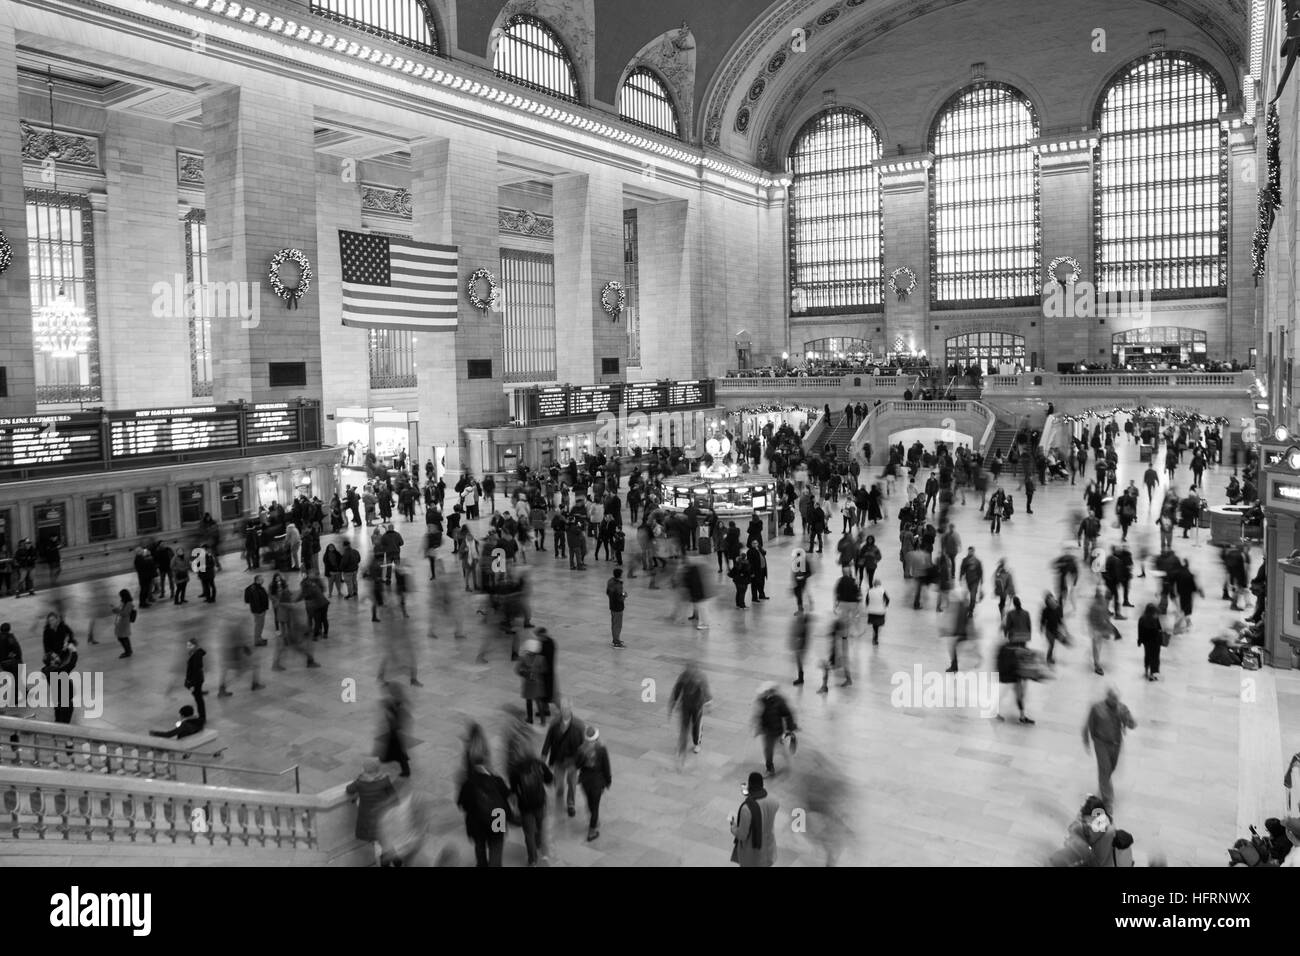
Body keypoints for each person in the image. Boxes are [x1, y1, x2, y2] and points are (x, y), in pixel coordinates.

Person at [455, 723, 512, 867]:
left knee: (480, 847)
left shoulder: (468, 784)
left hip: (477, 823)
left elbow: (461, 804)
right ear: (487, 760)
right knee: (496, 847)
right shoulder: (497, 781)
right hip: (497, 821)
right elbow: (508, 796)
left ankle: (482, 864)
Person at [1082, 687, 1137, 815]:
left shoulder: (1122, 708)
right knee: (1105, 769)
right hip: (1101, 743)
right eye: (1113, 698)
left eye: (1117, 699)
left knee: (1110, 769)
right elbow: (1088, 724)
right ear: (1107, 697)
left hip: (1116, 744)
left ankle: (1103, 784)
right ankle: (1108, 801)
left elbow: (1132, 724)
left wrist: (1129, 721)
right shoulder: (1097, 708)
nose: (1115, 701)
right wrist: (1086, 740)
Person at [507, 730, 554, 866]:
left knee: (528, 833)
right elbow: (550, 779)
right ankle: (539, 842)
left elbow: (514, 790)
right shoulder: (538, 764)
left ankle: (532, 859)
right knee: (540, 826)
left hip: (525, 806)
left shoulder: (515, 770)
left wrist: (514, 805)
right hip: (539, 802)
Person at [346, 757, 398, 865]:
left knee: (379, 844)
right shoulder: (384, 780)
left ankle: (389, 862)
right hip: (384, 816)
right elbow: (394, 797)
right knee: (384, 841)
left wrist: (358, 777)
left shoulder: (360, 782)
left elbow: (349, 789)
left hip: (369, 820)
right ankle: (396, 860)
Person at [541, 700, 586, 819]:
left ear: (571, 709)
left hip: (572, 761)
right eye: (562, 709)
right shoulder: (554, 724)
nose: (564, 711)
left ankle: (571, 804)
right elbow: (548, 741)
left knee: (572, 783)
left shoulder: (579, 725)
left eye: (566, 709)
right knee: (559, 784)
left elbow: (583, 746)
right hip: (558, 759)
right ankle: (560, 792)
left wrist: (581, 763)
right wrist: (543, 757)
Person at [729, 771, 779, 867]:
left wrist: (733, 827)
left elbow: (742, 835)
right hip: (769, 849)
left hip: (753, 855)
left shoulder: (746, 809)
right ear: (762, 785)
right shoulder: (773, 801)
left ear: (750, 786)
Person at [668, 663, 711, 764]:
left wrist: (708, 702)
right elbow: (677, 690)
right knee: (684, 726)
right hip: (685, 706)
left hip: (697, 706)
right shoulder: (683, 677)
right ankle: (682, 745)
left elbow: (706, 690)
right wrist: (673, 702)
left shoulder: (701, 678)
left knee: (697, 725)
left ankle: (697, 743)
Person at [576, 724, 612, 842]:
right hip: (597, 782)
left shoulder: (581, 749)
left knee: (590, 804)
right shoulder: (601, 749)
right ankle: (592, 831)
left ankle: (593, 820)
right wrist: (608, 781)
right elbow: (606, 766)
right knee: (595, 807)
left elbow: (577, 765)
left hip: (585, 782)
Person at [754, 683, 797, 777]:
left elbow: (788, 714)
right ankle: (770, 768)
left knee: (778, 747)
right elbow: (761, 715)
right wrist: (759, 727)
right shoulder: (763, 700)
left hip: (777, 730)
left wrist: (790, 728)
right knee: (768, 750)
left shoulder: (779, 701)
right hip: (768, 730)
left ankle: (785, 758)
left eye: (765, 692)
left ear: (770, 691)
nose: (763, 694)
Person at [1136, 603, 1165, 681]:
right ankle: (1151, 674)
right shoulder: (1150, 619)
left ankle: (1148, 672)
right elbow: (1159, 630)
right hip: (1153, 642)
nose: (1156, 614)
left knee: (1149, 656)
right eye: (1155, 613)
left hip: (1149, 642)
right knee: (1154, 658)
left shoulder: (1142, 619)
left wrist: (1139, 640)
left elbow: (1140, 631)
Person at [183, 637, 207, 725]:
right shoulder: (194, 653)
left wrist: (192, 684)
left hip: (196, 681)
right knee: (198, 698)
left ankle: (202, 717)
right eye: (187, 645)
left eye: (190, 645)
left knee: (199, 699)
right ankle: (202, 716)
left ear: (195, 646)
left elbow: (196, 671)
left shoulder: (196, 655)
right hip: (197, 680)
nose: (188, 647)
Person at [243, 575, 270, 647]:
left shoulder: (256, 587)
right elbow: (256, 601)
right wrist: (260, 611)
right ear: (257, 580)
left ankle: (259, 638)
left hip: (259, 610)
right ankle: (257, 641)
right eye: (261, 579)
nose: (263, 580)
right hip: (259, 611)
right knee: (259, 625)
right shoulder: (255, 589)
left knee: (259, 625)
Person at [606, 567, 627, 648]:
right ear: (620, 575)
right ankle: (616, 642)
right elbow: (620, 598)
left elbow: (607, 592)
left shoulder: (610, 581)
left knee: (614, 624)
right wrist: (624, 595)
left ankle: (615, 639)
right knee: (618, 625)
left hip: (612, 605)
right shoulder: (618, 585)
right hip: (618, 607)